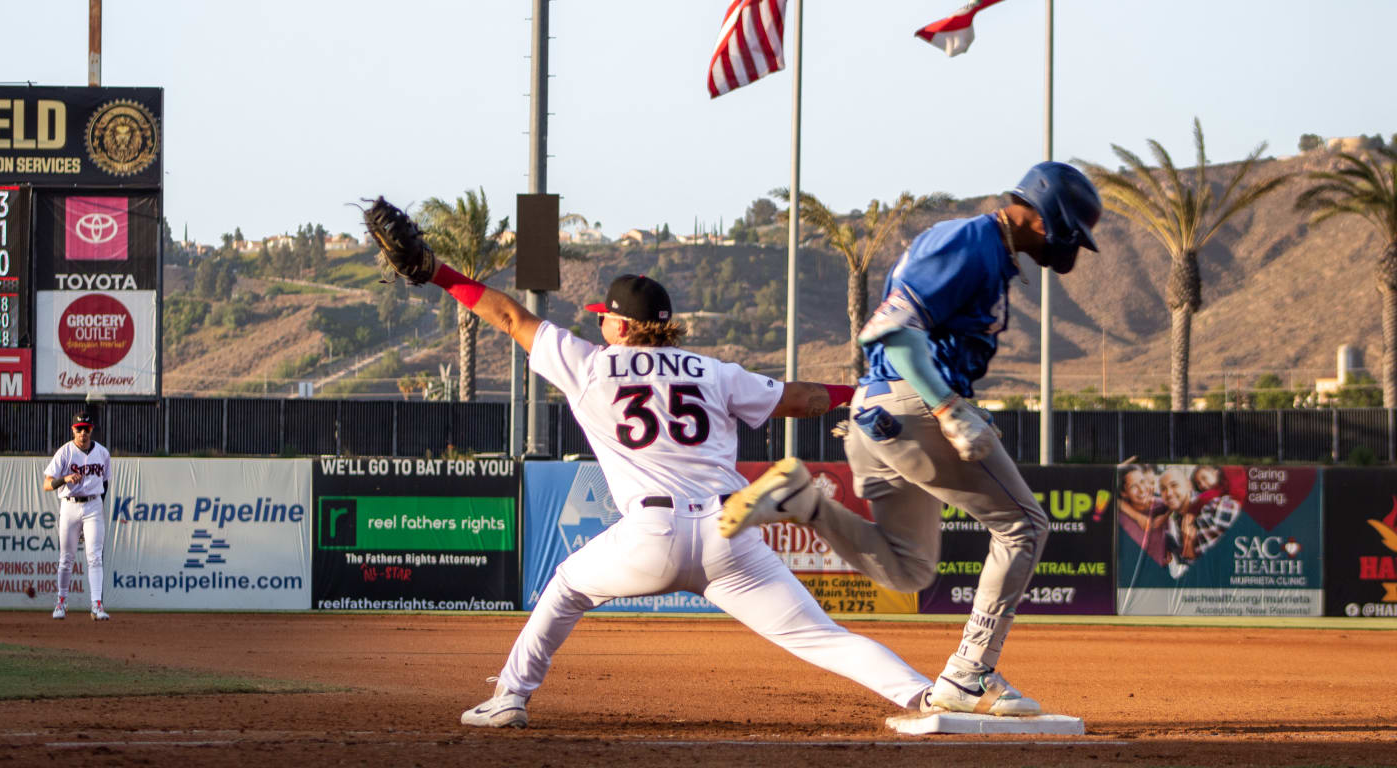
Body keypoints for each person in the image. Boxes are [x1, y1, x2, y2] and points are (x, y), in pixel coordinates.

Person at [422, 263, 932, 728]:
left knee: (566, 588)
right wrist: (874, 391)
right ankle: (927, 697)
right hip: (732, 532)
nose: (599, 325)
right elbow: (806, 400)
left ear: (622, 326)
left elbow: (509, 316)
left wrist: (438, 272)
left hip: (651, 534)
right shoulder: (713, 372)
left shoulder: (589, 364)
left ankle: (511, 696)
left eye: (604, 317)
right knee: (823, 637)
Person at [721, 161, 1103, 716]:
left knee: (909, 568)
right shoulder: (972, 241)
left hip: (877, 413)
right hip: (911, 403)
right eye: (1070, 231)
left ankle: (802, 501)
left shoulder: (986, 248)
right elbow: (890, 330)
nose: (1069, 245)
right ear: (1049, 220)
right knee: (1023, 526)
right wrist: (948, 407)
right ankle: (970, 672)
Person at [42, 411, 112, 621]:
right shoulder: (65, 452)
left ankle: (97, 605)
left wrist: (99, 507)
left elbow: (105, 483)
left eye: (87, 429)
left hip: (93, 505)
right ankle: (61, 602)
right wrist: (64, 479)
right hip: (70, 506)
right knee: (66, 558)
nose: (83, 433)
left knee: (95, 557)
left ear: (91, 430)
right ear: (73, 430)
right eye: (79, 429)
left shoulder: (102, 453)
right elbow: (47, 484)